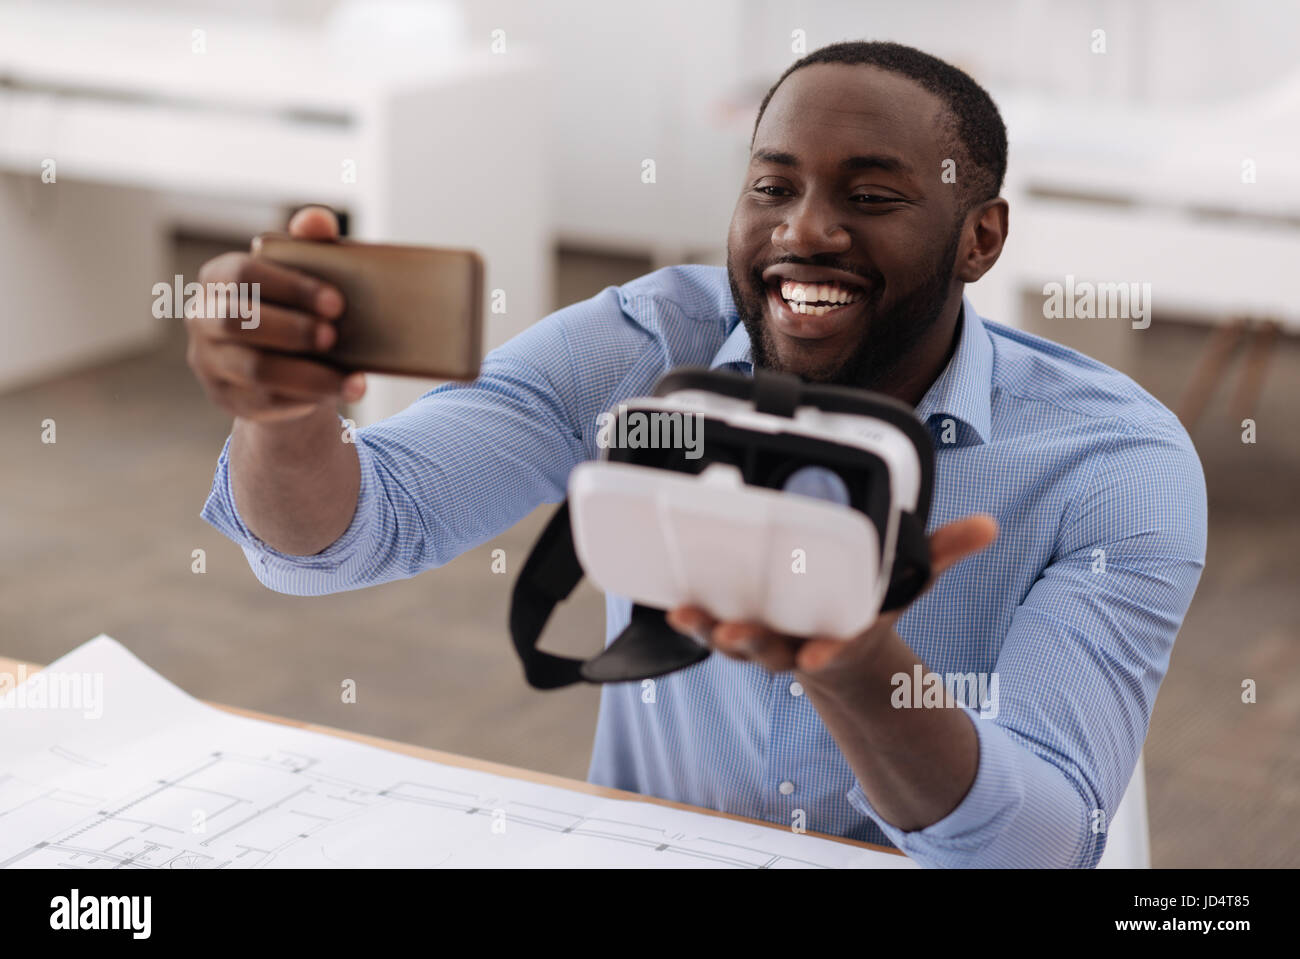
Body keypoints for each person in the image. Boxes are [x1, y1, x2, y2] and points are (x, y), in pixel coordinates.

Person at [188, 41, 1207, 867]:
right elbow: (342, 539)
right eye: (772, 186)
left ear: (979, 239)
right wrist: (281, 418)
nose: (805, 230)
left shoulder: (1110, 461)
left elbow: (1036, 848)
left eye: (873, 197)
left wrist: (858, 667)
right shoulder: (644, 341)